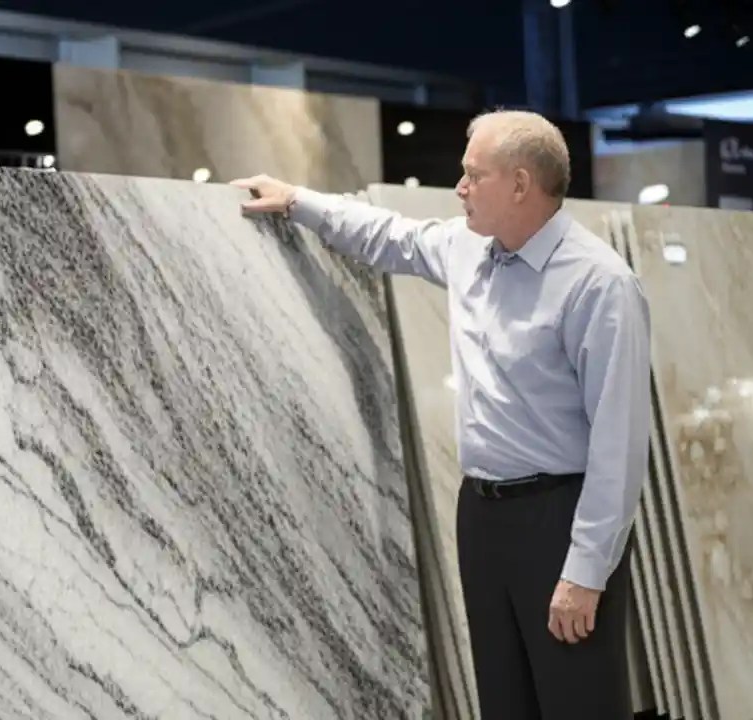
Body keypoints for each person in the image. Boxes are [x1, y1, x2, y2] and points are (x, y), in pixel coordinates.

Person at [231, 109, 652, 719]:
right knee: (504, 700)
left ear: (520, 184)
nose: (460, 187)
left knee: (578, 703)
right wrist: (297, 200)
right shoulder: (468, 249)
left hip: (560, 519)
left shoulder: (599, 284)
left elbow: (620, 444)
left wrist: (586, 572)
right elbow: (388, 235)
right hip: (482, 516)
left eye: (473, 175)